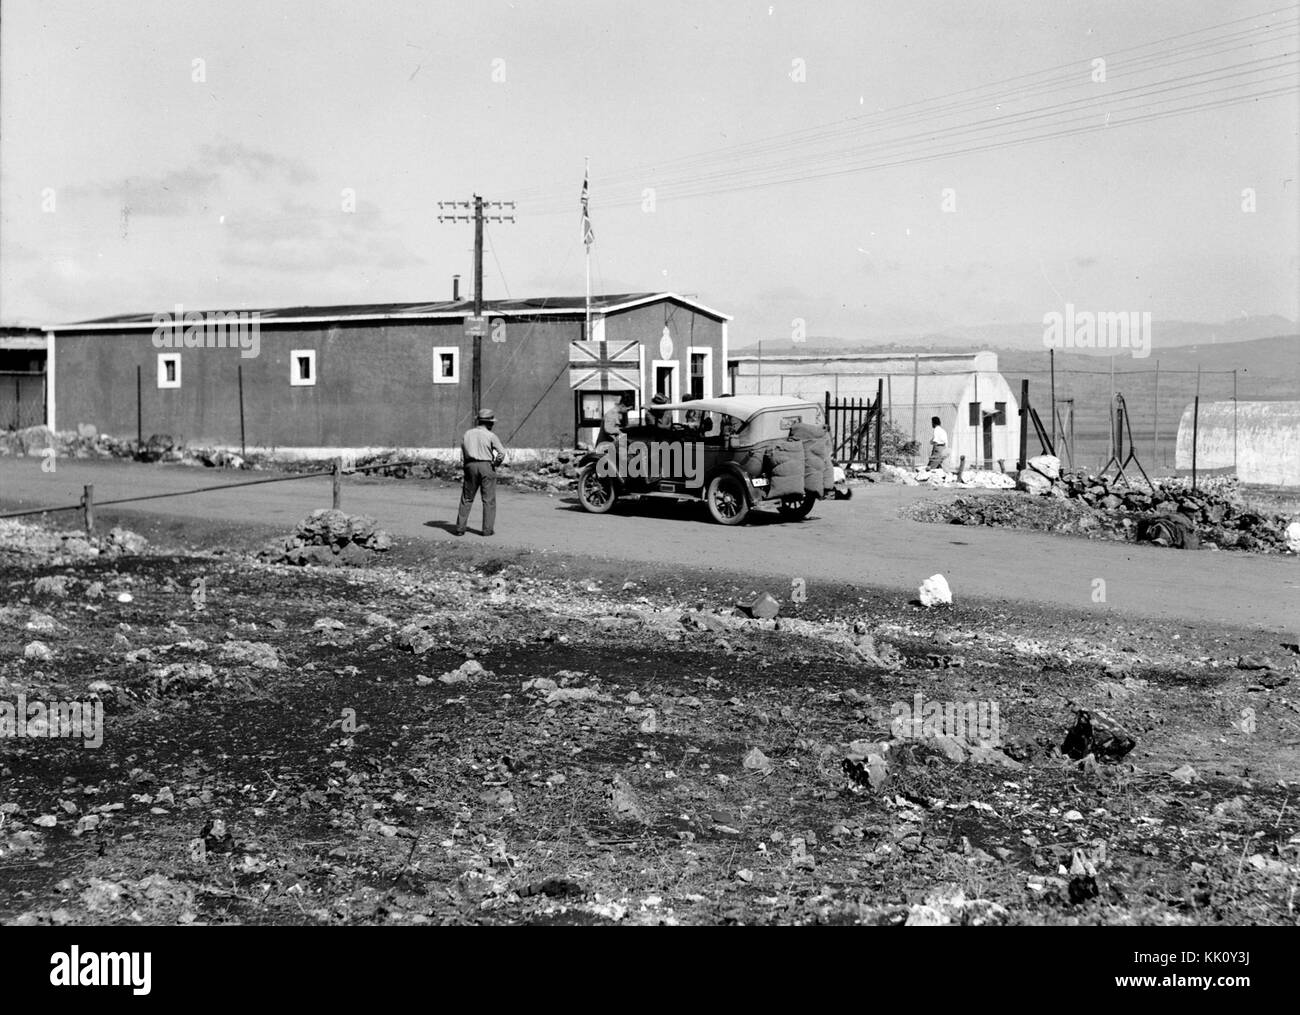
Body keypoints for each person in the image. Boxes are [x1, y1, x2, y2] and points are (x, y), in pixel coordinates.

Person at [455, 408, 506, 536]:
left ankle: (460, 528)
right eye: (492, 422)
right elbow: (502, 453)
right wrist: (495, 463)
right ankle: (487, 530)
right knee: (488, 500)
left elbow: (463, 452)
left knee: (467, 498)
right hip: (486, 465)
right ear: (488, 422)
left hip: (470, 465)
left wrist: (466, 466)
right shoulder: (490, 435)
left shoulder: (467, 434)